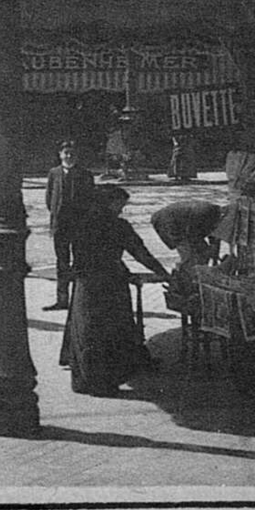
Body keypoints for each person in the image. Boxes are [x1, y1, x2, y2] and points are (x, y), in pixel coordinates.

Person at [58, 185, 170, 396]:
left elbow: (72, 253)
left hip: (85, 285)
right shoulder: (119, 226)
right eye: (120, 204)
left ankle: (83, 380)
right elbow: (140, 253)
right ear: (108, 203)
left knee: (85, 332)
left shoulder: (80, 223)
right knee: (109, 334)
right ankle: (104, 382)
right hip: (110, 285)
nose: (121, 209)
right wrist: (163, 273)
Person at [42, 140, 97, 311]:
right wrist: (56, 216)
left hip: (79, 226)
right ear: (60, 155)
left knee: (81, 261)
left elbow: (90, 201)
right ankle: (62, 299)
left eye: (72, 153)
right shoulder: (54, 173)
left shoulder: (85, 175)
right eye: (66, 153)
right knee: (62, 262)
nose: (69, 156)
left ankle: (81, 299)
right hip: (60, 226)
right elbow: (49, 198)